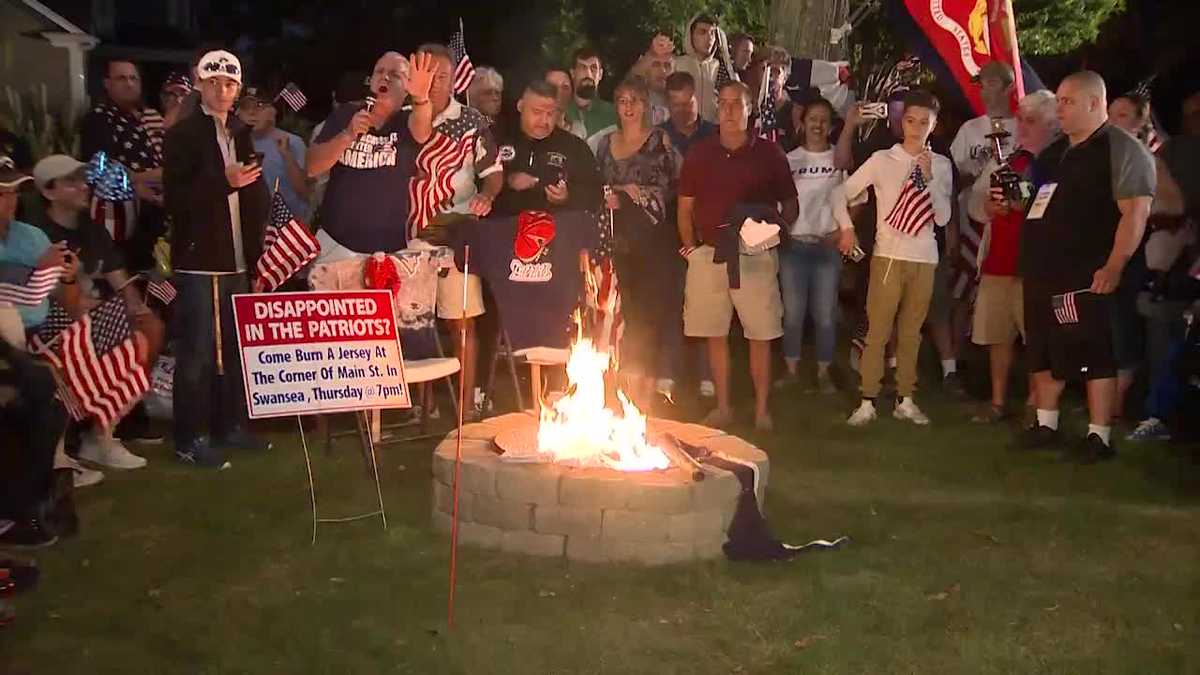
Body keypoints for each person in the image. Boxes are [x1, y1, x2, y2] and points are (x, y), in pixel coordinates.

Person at [1015, 71, 1155, 463]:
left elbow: (1135, 213)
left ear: (1095, 103)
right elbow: (1031, 198)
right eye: (1058, 100)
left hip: (1087, 274)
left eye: (1067, 101)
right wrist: (1008, 198)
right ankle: (1046, 424)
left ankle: (1100, 435)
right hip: (1043, 270)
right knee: (1043, 350)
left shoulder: (1121, 149)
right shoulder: (1054, 153)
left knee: (1094, 353)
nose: (1059, 108)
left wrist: (1114, 265)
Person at [163, 49, 272, 468]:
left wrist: (258, 255)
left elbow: (251, 195)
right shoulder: (183, 135)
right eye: (214, 82)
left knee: (233, 348)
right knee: (198, 352)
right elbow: (175, 200)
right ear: (200, 84)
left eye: (230, 83)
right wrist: (221, 182)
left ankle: (229, 427)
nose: (223, 89)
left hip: (238, 258)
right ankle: (189, 437)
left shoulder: (240, 133)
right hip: (201, 259)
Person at [677, 81, 799, 431]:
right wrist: (692, 249)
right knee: (714, 332)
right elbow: (685, 206)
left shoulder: (769, 153)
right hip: (710, 254)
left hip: (753, 254)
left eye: (737, 104)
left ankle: (762, 411)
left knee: (759, 334)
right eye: (724, 104)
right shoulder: (700, 153)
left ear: (750, 109)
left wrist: (772, 234)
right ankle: (723, 407)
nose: (729, 111)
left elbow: (790, 204)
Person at [32, 154, 164, 471]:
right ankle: (78, 442)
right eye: (72, 182)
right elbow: (63, 301)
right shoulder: (38, 234)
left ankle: (102, 433)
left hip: (89, 316)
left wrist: (135, 306)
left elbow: (121, 279)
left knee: (150, 328)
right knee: (95, 339)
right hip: (53, 322)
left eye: (83, 179)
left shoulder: (92, 229)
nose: (83, 187)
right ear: (49, 192)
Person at [842, 90, 954, 427]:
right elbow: (842, 193)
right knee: (878, 330)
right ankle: (867, 399)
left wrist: (931, 180)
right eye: (911, 120)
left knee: (911, 331)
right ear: (900, 122)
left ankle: (906, 397)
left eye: (925, 122)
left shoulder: (942, 164)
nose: (917, 128)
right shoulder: (882, 159)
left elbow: (944, 217)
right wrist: (847, 229)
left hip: (924, 257)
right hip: (888, 254)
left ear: (934, 125)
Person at [406, 43, 503, 421]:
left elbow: (493, 174)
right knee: (417, 321)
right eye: (428, 76)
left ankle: (464, 407)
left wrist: (485, 195)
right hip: (410, 234)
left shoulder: (471, 121)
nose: (434, 84)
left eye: (442, 77)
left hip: (457, 231)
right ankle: (422, 404)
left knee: (461, 318)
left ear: (453, 79)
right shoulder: (404, 118)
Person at [967, 90, 1059, 423]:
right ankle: (997, 402)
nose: (1022, 126)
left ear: (1053, 125)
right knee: (998, 337)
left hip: (1034, 265)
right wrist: (991, 207)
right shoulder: (1010, 161)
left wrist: (1023, 203)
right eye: (1021, 119)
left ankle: (1037, 405)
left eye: (1031, 121)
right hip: (999, 262)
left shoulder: (1056, 162)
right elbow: (980, 206)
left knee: (1037, 339)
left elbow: (1051, 208)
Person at [0, 156, 76, 547]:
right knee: (29, 396)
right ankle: (19, 510)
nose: (9, 203)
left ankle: (27, 505)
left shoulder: (29, 236)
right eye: (1, 194)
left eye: (13, 194)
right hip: (13, 341)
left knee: (45, 403)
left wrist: (66, 274)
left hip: (28, 335)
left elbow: (65, 295)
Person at [595, 76, 683, 407]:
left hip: (652, 240)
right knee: (619, 312)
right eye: (622, 100)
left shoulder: (659, 140)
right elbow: (596, 186)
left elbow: (672, 188)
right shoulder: (605, 144)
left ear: (646, 105)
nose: (628, 107)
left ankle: (651, 385)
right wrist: (610, 196)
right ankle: (620, 384)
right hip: (615, 241)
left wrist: (634, 196)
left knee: (650, 312)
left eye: (635, 100)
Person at [306, 51, 436, 257]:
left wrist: (421, 98)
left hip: (389, 249)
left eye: (395, 74)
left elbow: (422, 133)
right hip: (336, 244)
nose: (385, 77)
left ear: (407, 88)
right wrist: (347, 135)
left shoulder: (408, 119)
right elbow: (313, 167)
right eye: (380, 72)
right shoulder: (347, 113)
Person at [945, 61, 1018, 393]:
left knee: (1003, 293)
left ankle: (1006, 371)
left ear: (1006, 88)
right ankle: (957, 362)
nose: (984, 91)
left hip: (1008, 223)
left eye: (990, 84)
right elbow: (952, 176)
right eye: (981, 85)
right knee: (962, 288)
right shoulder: (970, 130)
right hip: (971, 218)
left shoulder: (1022, 127)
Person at [779, 97, 855, 393]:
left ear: (831, 125)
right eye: (813, 118)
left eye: (824, 120)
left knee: (825, 314)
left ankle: (824, 372)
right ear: (803, 122)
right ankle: (791, 370)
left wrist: (841, 231)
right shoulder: (790, 160)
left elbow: (856, 199)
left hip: (826, 246)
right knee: (793, 313)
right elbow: (779, 202)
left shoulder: (840, 160)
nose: (818, 125)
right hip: (795, 246)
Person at [80, 58, 168, 273]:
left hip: (156, 217)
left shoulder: (145, 118)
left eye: (133, 78)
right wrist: (141, 182)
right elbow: (99, 166)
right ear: (107, 84)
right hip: (119, 218)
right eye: (121, 78)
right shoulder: (99, 118)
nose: (129, 84)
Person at [492, 79, 603, 217]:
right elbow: (476, 182)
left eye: (550, 114)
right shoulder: (497, 137)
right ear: (521, 106)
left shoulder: (574, 146)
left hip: (556, 231)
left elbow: (596, 194)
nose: (544, 121)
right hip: (502, 228)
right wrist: (505, 181)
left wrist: (569, 196)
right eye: (537, 112)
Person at [237, 86, 312, 221]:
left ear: (272, 112)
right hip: (250, 224)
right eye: (246, 107)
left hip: (287, 229)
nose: (252, 112)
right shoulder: (233, 143)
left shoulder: (293, 142)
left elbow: (305, 193)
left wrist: (287, 155)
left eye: (259, 106)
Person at [563, 47, 618, 146]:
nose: (588, 74)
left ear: (600, 75)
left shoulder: (613, 114)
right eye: (582, 67)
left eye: (593, 68)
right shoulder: (561, 109)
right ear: (572, 73)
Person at [674, 14, 720, 123]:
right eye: (702, 32)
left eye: (712, 33)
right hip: (683, 130)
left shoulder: (720, 67)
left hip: (711, 132)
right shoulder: (677, 64)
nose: (709, 38)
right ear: (691, 35)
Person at [659, 72, 717, 158]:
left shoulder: (715, 135)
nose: (683, 110)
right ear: (667, 104)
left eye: (687, 104)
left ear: (696, 99)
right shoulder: (657, 137)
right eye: (676, 105)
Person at [631, 33, 676, 127]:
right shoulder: (635, 98)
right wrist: (652, 51)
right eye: (656, 64)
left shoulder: (680, 105)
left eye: (667, 66)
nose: (662, 70)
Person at [544, 68, 575, 132]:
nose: (558, 93)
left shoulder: (578, 131)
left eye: (565, 87)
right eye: (551, 87)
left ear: (572, 94)